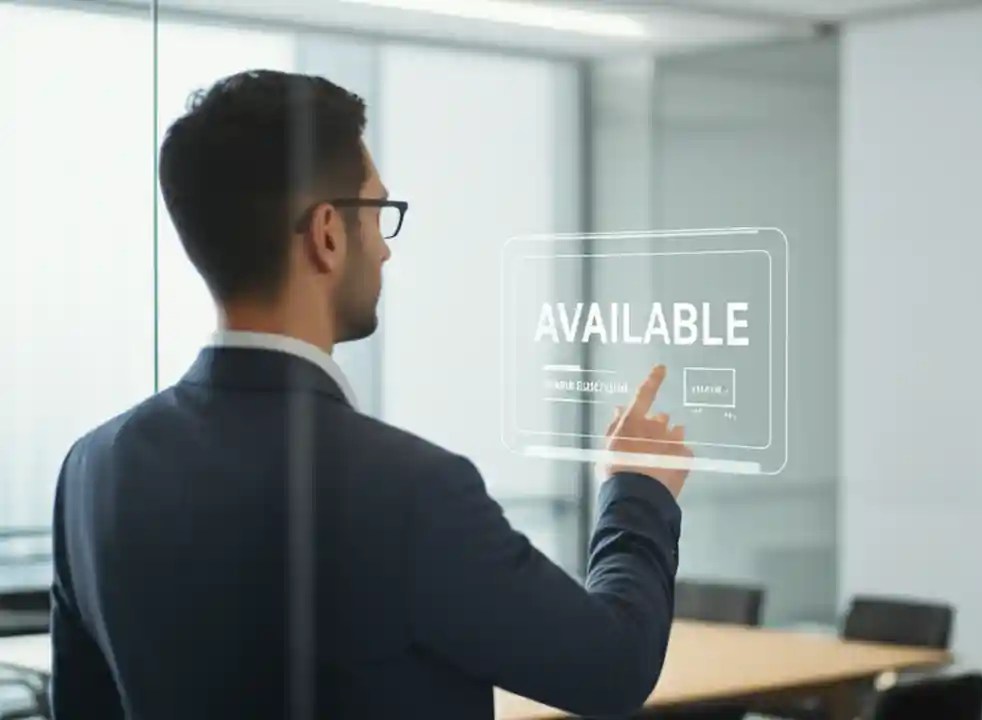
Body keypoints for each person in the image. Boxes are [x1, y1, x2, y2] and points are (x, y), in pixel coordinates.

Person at [49, 70, 693, 720]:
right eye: (379, 213)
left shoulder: (91, 469)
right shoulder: (410, 490)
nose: (384, 250)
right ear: (327, 233)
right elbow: (610, 667)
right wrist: (637, 489)